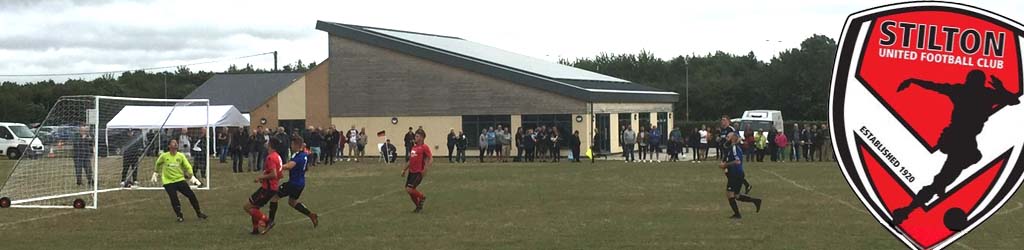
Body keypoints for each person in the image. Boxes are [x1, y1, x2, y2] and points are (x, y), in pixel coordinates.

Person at [892, 70, 1020, 225]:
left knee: (970, 160)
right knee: (946, 176)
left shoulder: (963, 91)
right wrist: (1000, 89)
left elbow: (934, 86)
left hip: (957, 139)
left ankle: (935, 188)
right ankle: (906, 210)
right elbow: (1013, 100)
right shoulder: (986, 94)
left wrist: (913, 79)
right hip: (960, 140)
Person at [266, 137, 319, 232]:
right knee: (292, 202)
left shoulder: (299, 156)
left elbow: (290, 166)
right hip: (300, 183)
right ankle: (311, 215)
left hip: (294, 183)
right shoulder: (303, 154)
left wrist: (277, 166)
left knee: (274, 196)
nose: (291, 146)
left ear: (296, 145)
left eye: (292, 144)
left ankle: (271, 221)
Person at [152, 139, 207, 222]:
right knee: (174, 198)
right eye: (173, 143)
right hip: (168, 181)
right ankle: (179, 216)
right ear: (169, 146)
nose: (175, 144)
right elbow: (158, 163)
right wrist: (155, 172)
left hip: (179, 179)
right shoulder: (164, 156)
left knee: (191, 195)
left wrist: (191, 175)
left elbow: (187, 166)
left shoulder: (180, 156)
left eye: (176, 143)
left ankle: (199, 213)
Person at [243, 138, 283, 235]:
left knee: (248, 207)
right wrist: (265, 178)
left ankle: (267, 221)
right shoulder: (277, 156)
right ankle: (255, 229)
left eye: (268, 142)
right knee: (255, 206)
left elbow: (274, 174)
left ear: (270, 145)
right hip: (271, 187)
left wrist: (261, 177)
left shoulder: (270, 157)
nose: (266, 144)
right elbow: (280, 175)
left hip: (267, 189)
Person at [720, 132, 763, 219]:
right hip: (737, 174)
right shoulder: (732, 148)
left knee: (730, 194)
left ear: (733, 138)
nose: (726, 138)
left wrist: (725, 165)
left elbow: (737, 161)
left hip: (735, 174)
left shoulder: (734, 148)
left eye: (728, 137)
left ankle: (737, 214)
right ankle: (756, 201)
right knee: (736, 195)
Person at [401, 130, 432, 213]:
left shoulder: (424, 147)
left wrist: (425, 169)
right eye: (415, 136)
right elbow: (411, 160)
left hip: (418, 172)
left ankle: (422, 197)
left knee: (410, 189)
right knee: (410, 191)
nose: (415, 138)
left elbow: (430, 158)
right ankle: (418, 206)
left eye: (417, 136)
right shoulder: (414, 147)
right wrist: (404, 169)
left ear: (422, 138)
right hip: (411, 172)